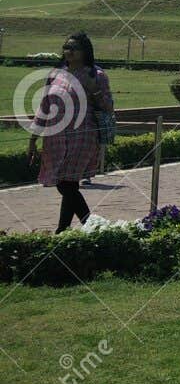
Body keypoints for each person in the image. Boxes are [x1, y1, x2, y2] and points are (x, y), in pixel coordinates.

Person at [27, 31, 113, 233]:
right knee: (68, 184)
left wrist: (94, 90)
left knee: (65, 184)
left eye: (74, 48)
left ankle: (94, 227)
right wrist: (33, 139)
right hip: (56, 138)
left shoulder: (96, 75)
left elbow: (108, 107)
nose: (69, 52)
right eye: (66, 48)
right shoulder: (55, 75)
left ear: (85, 52)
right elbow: (44, 108)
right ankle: (63, 231)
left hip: (83, 136)